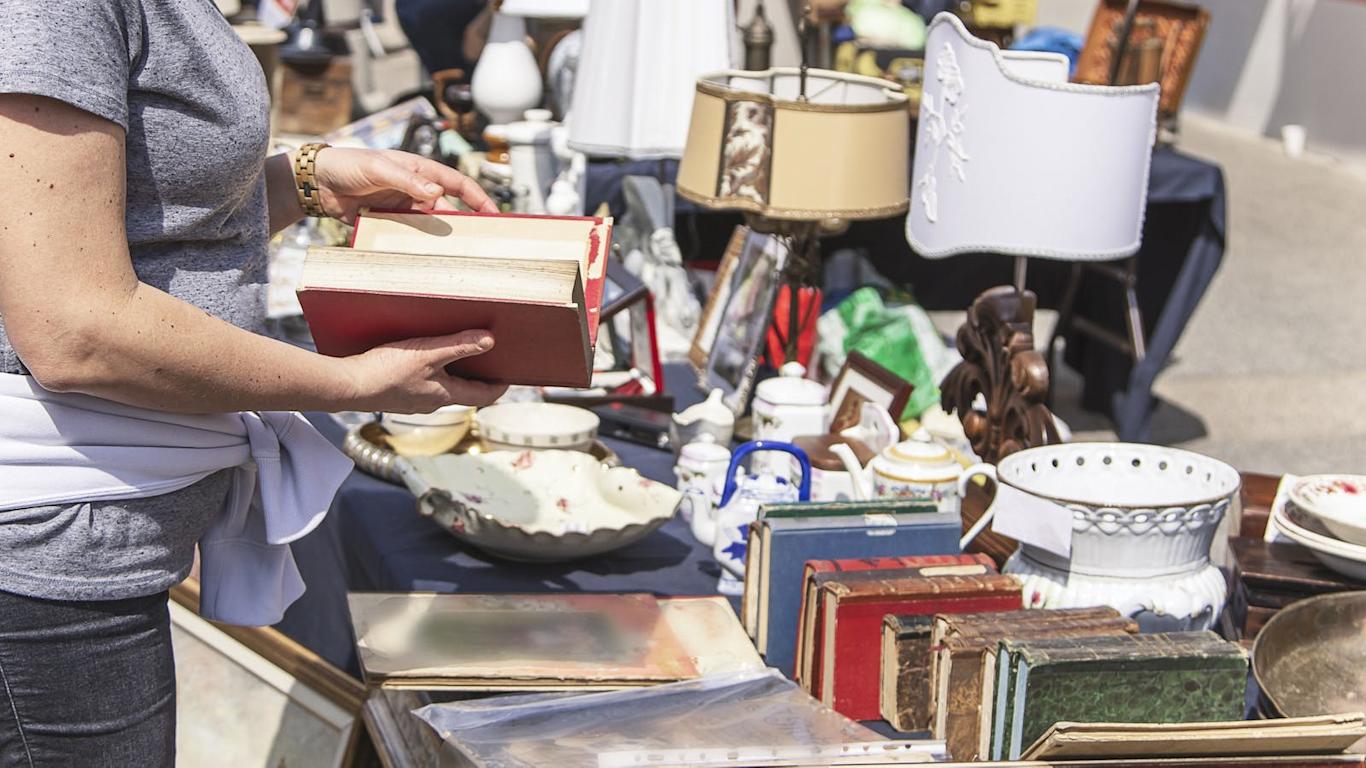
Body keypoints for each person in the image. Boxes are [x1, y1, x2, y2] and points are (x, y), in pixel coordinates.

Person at [0, 2, 507, 765]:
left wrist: (304, 181)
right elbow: (76, 327)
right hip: (48, 561)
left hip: (88, 551)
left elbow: (147, 220)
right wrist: (345, 382)